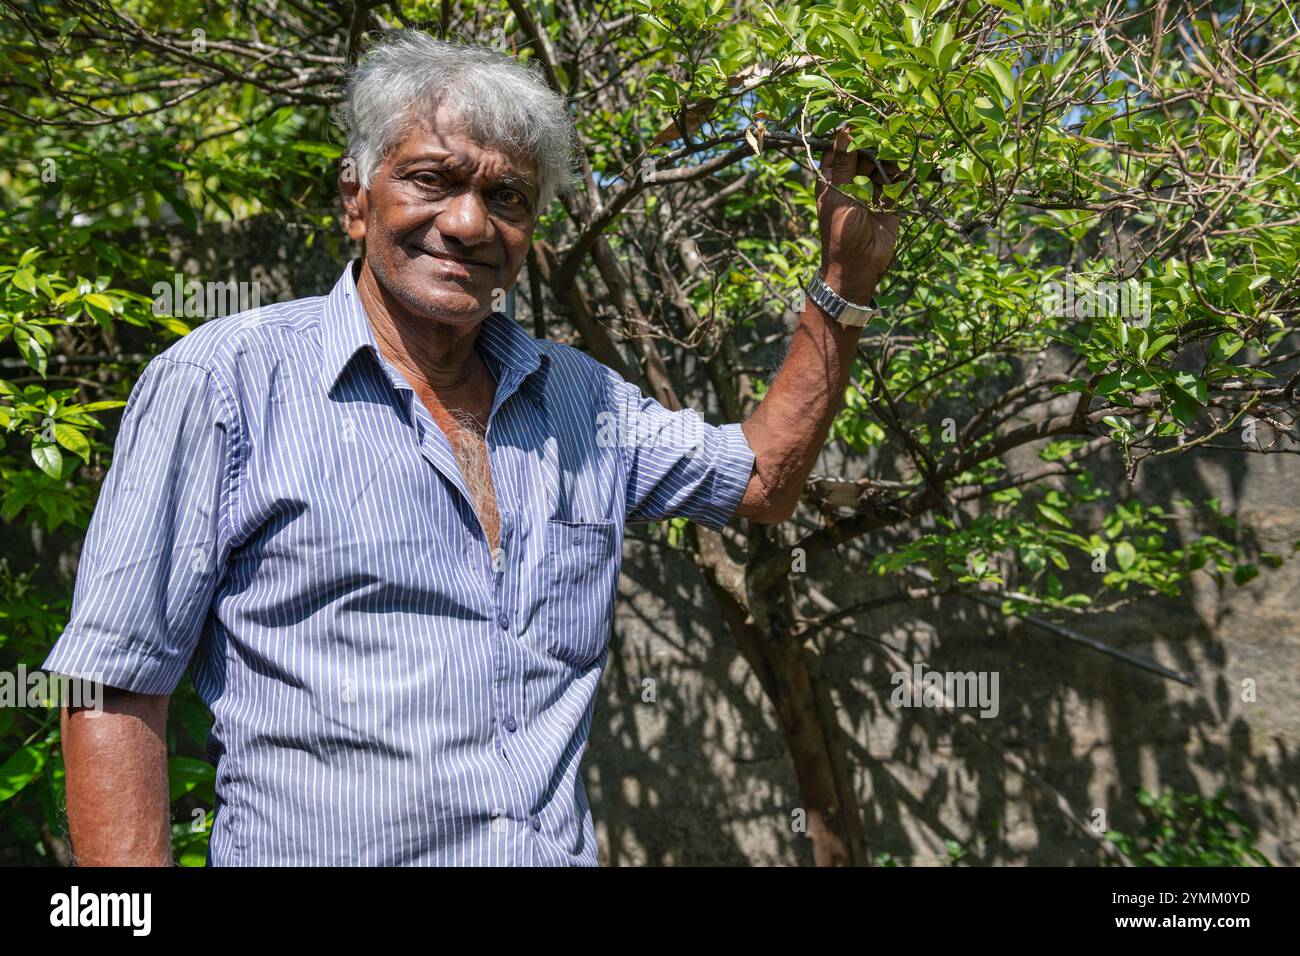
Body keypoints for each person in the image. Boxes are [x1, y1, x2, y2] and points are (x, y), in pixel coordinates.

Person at [43, 31, 899, 866]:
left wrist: (846, 281)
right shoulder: (226, 382)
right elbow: (110, 684)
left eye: (509, 198)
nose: (467, 222)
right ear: (356, 198)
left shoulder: (583, 400)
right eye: (431, 179)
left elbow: (760, 477)